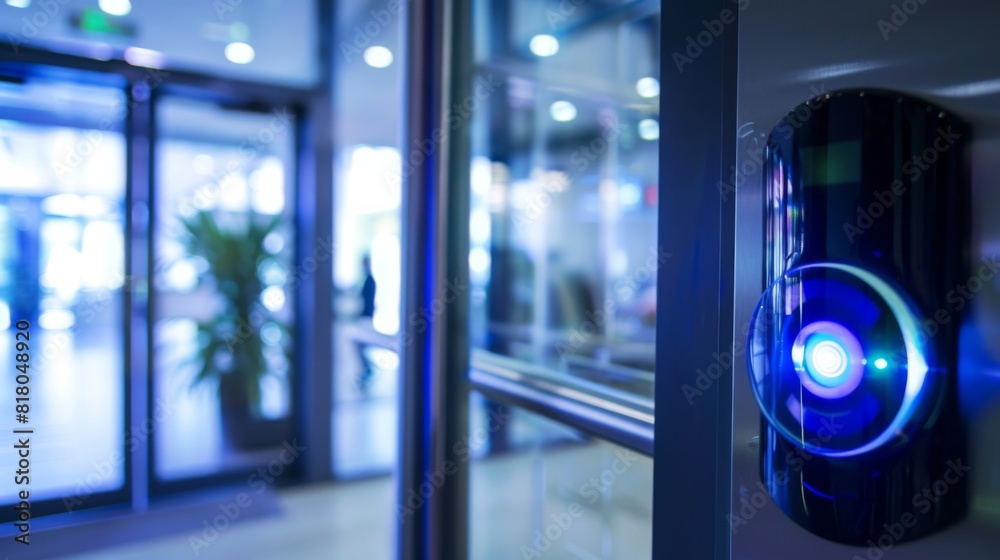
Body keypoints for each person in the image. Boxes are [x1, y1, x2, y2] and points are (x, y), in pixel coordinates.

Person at [356, 255, 377, 392]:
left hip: (366, 318)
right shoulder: (366, 279)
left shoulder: (370, 280)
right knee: (361, 348)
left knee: (363, 347)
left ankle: (368, 370)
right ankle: (367, 371)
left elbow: (367, 301)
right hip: (364, 317)